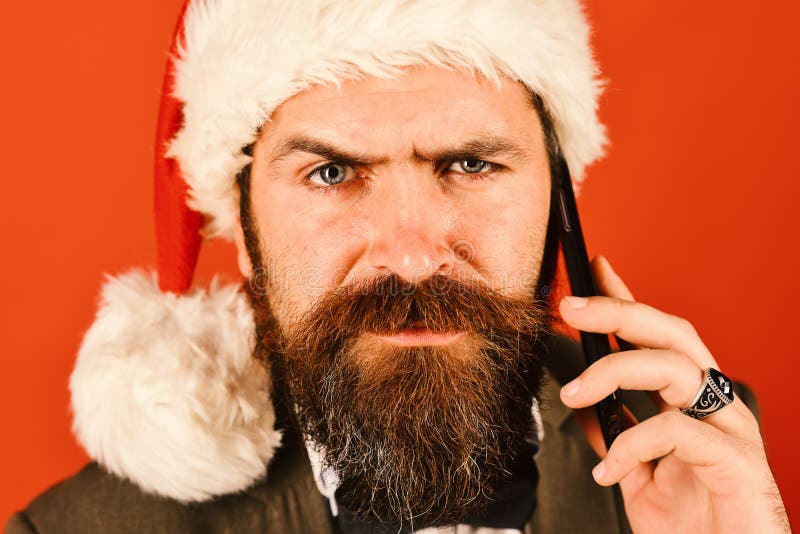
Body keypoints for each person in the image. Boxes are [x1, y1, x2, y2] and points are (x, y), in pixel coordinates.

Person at [6, 1, 790, 533]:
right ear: (243, 228)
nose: (413, 256)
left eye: (473, 164)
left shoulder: (700, 463)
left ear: (560, 209)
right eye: (331, 174)